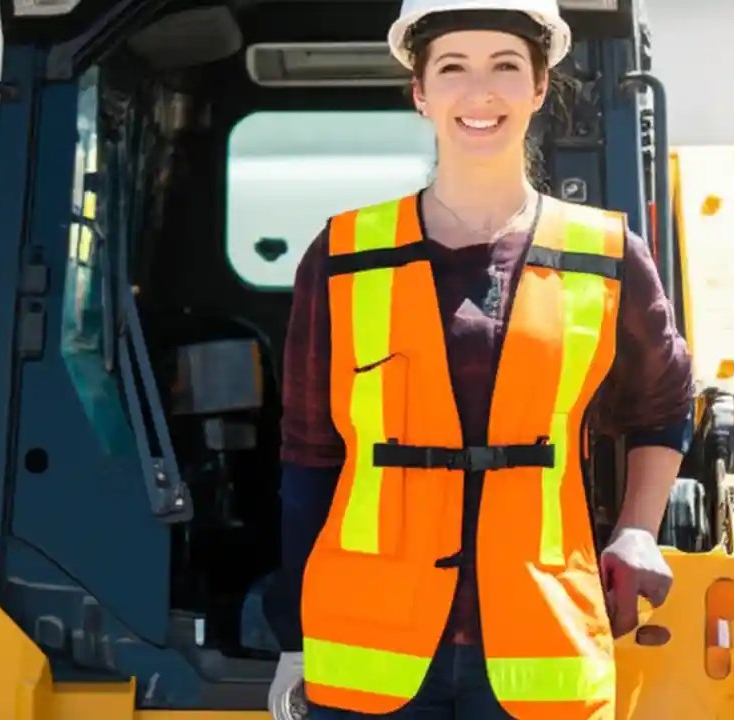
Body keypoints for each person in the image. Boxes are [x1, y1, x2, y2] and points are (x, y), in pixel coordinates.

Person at [263, 0, 694, 717]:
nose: (480, 91)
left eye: (505, 66)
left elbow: (665, 404)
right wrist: (293, 640)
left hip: (541, 645)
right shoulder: (343, 255)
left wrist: (639, 530)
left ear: (538, 87)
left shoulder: (607, 255)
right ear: (421, 93)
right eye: (453, 68)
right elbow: (309, 455)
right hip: (369, 649)